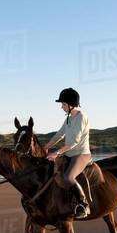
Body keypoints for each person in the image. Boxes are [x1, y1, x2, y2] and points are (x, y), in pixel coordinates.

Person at [44, 88, 92, 219]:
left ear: (71, 104)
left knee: (68, 177)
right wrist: (46, 147)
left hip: (81, 154)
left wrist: (56, 153)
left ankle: (84, 204)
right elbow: (59, 135)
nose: (61, 107)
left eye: (63, 104)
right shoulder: (68, 119)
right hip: (68, 154)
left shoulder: (82, 117)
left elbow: (75, 142)